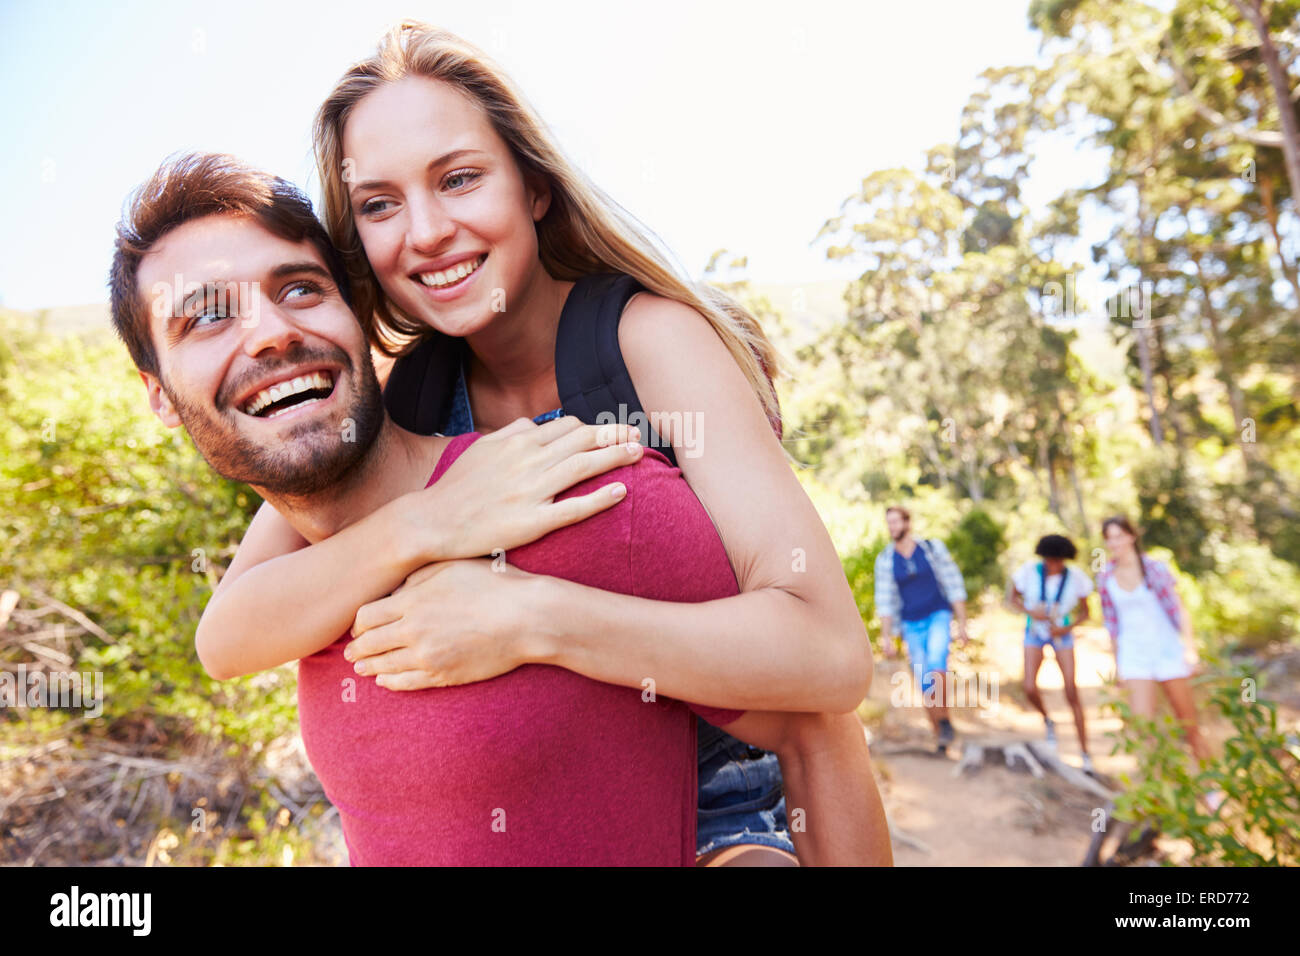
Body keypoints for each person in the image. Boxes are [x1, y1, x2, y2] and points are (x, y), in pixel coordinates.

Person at [196, 22, 891, 866]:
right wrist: (423, 526)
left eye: (458, 179)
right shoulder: (410, 393)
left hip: (719, 803)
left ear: (534, 186)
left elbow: (827, 658)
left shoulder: (649, 341)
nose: (425, 232)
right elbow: (228, 636)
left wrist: (532, 619)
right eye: (380, 203)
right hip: (543, 805)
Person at [1097, 516, 1211, 767]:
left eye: (1119, 536)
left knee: (1189, 724)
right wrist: (1118, 668)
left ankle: (1211, 791)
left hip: (1167, 650)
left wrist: (1189, 648)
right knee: (1143, 730)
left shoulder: (1154, 569)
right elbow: (1112, 626)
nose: (1114, 542)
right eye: (1109, 538)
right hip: (1134, 656)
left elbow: (1179, 609)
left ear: (1131, 536)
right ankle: (1156, 795)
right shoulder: (1105, 578)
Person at [874, 505, 969, 749]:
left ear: (907, 523)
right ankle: (940, 734)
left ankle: (945, 722)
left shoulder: (931, 548)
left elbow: (954, 583)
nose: (892, 527)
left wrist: (963, 624)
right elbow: (885, 601)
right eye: (889, 523)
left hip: (937, 613)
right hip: (910, 623)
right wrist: (886, 637)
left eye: (896, 522)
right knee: (924, 681)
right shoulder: (885, 560)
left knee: (938, 666)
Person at [1006, 534, 1094, 771]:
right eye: (1049, 560)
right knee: (1029, 687)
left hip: (1061, 633)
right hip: (1034, 630)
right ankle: (1048, 720)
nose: (1053, 565)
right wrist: (1031, 612)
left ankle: (1085, 753)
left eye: (1057, 560)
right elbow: (1012, 597)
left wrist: (1068, 627)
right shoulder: (1029, 571)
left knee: (1070, 690)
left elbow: (1086, 612)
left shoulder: (1076, 578)